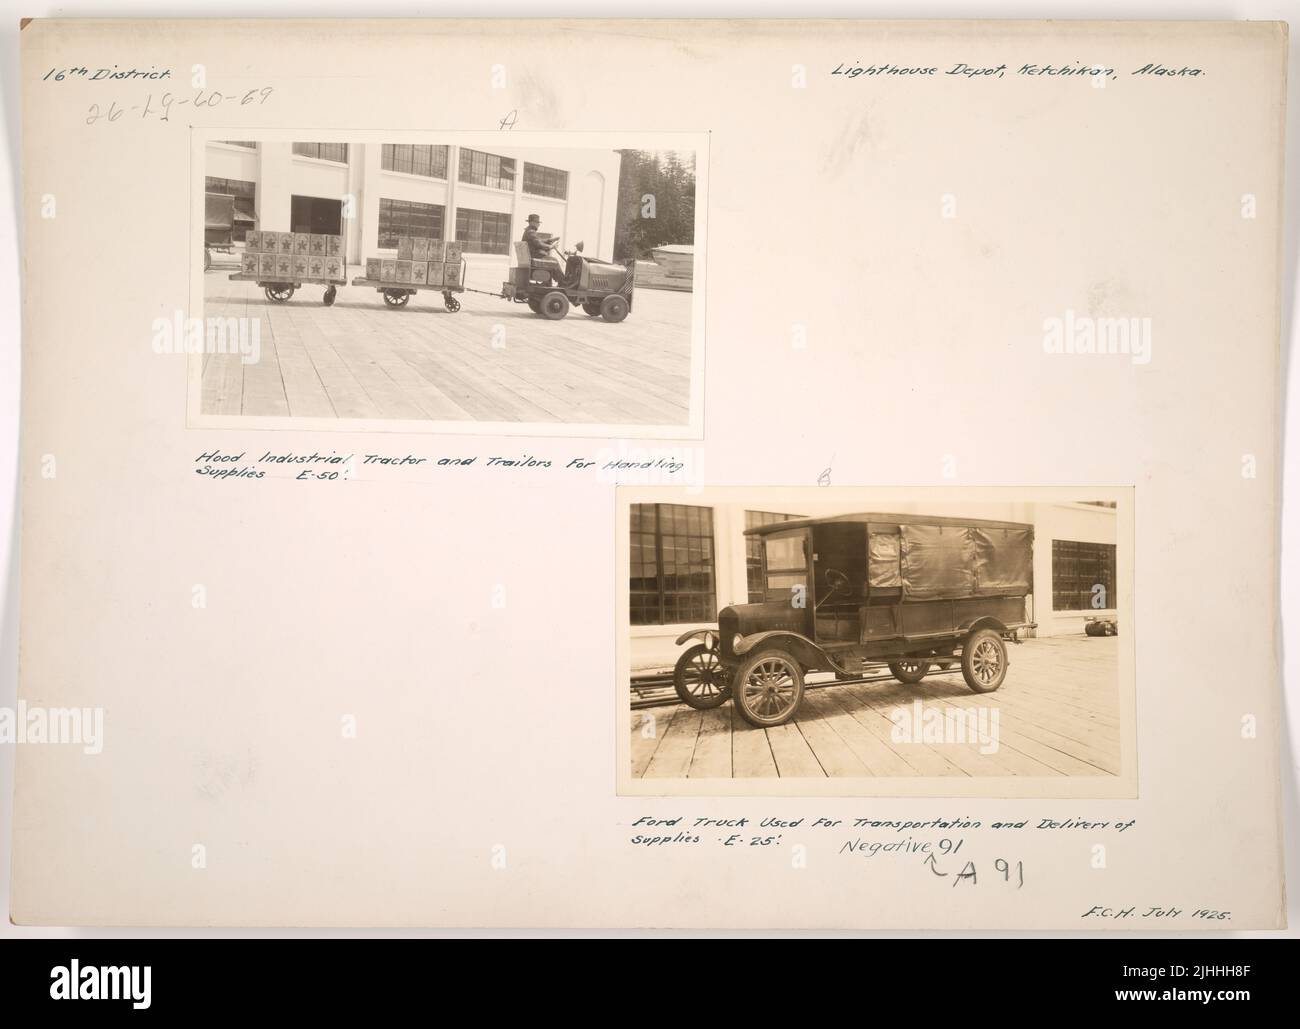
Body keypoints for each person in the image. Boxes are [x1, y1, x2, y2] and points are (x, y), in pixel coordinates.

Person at [522, 214, 567, 287]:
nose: (538, 225)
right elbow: (539, 244)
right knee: (554, 261)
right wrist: (551, 247)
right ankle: (563, 282)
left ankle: (550, 282)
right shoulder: (531, 232)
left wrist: (550, 240)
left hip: (532, 256)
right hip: (535, 256)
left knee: (551, 259)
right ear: (532, 222)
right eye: (537, 223)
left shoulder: (529, 231)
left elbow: (538, 240)